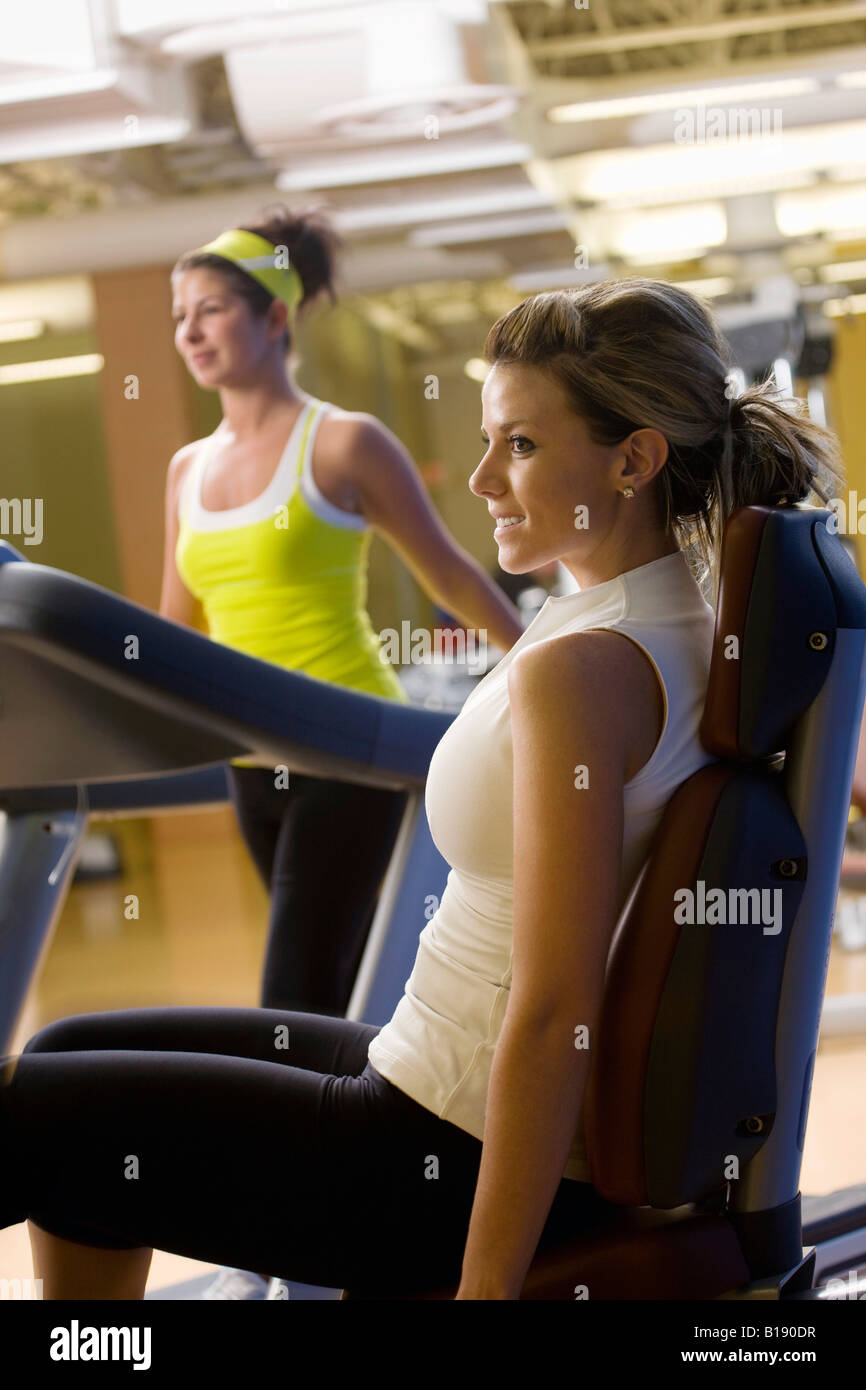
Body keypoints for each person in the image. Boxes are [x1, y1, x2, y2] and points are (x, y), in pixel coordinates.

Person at [0, 278, 842, 1301]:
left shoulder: (586, 671)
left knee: (35, 1117)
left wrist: (482, 1295)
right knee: (67, 1050)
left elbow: (550, 1010)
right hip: (433, 1083)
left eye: (520, 446)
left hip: (435, 1150)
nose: (482, 477)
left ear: (632, 459)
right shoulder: (666, 613)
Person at [160, 208, 524, 1297]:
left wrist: (537, 657)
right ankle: (359, 1218)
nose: (190, 331)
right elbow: (176, 630)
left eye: (212, 308)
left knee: (287, 999)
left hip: (348, 752)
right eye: (178, 315)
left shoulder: (343, 441)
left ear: (275, 317)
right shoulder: (183, 465)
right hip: (247, 767)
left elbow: (452, 573)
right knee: (319, 1009)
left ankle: (266, 1257)